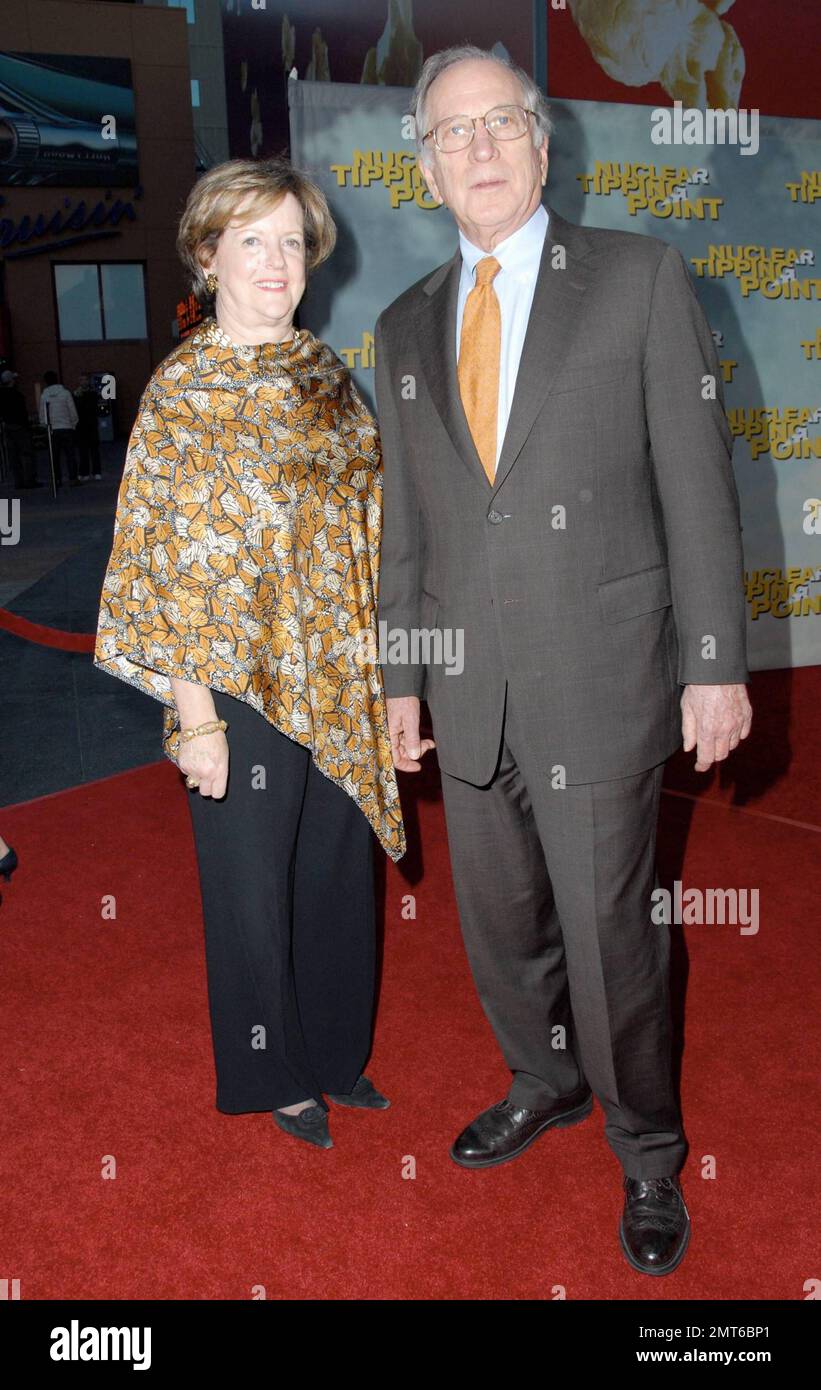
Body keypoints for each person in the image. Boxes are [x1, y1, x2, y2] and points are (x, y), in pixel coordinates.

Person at [375, 46, 752, 1275]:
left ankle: (647, 1152)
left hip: (601, 677)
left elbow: (697, 495)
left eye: (499, 123)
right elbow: (411, 532)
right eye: (450, 133)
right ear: (424, 165)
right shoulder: (400, 327)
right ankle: (542, 1078)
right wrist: (398, 679)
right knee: (501, 930)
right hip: (465, 689)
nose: (477, 150)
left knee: (612, 938)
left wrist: (712, 663)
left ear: (542, 142)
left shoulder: (638, 282)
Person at [94, 157, 405, 1150]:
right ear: (208, 254)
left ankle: (333, 1055)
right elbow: (165, 566)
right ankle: (274, 1072)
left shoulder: (324, 376)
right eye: (251, 240)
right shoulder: (182, 394)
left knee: (331, 875)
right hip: (234, 685)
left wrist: (390, 680)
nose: (275, 263)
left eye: (290, 242)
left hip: (336, 673)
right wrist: (193, 719)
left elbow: (372, 531)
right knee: (251, 889)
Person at [39, 371, 81, 487]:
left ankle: (56, 479)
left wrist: (45, 425)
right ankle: (73, 478)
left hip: (52, 429)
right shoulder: (65, 393)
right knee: (70, 455)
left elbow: (43, 414)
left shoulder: (44, 395)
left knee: (54, 456)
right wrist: (73, 424)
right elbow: (72, 411)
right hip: (66, 427)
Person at [0, 369, 39, 489]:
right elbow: (22, 413)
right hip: (20, 426)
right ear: (11, 381)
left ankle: (19, 481)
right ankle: (29, 480)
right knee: (27, 453)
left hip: (7, 426)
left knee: (13, 456)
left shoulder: (1, 394)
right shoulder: (17, 395)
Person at [74, 373, 102, 480]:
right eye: (81, 380)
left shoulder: (92, 393)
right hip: (81, 425)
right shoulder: (76, 394)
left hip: (91, 424)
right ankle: (84, 472)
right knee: (83, 450)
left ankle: (96, 472)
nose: (83, 382)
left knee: (94, 450)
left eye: (85, 379)